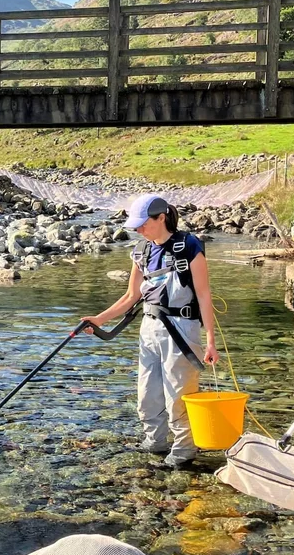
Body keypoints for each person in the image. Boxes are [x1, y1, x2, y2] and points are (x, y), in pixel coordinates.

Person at [84, 195, 219, 468]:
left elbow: (204, 296)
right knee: (147, 392)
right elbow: (131, 296)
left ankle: (183, 451)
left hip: (182, 329)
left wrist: (210, 342)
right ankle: (155, 441)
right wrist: (99, 319)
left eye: (143, 224)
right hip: (149, 328)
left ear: (161, 218)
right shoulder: (141, 251)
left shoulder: (189, 246)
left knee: (179, 393)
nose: (138, 230)